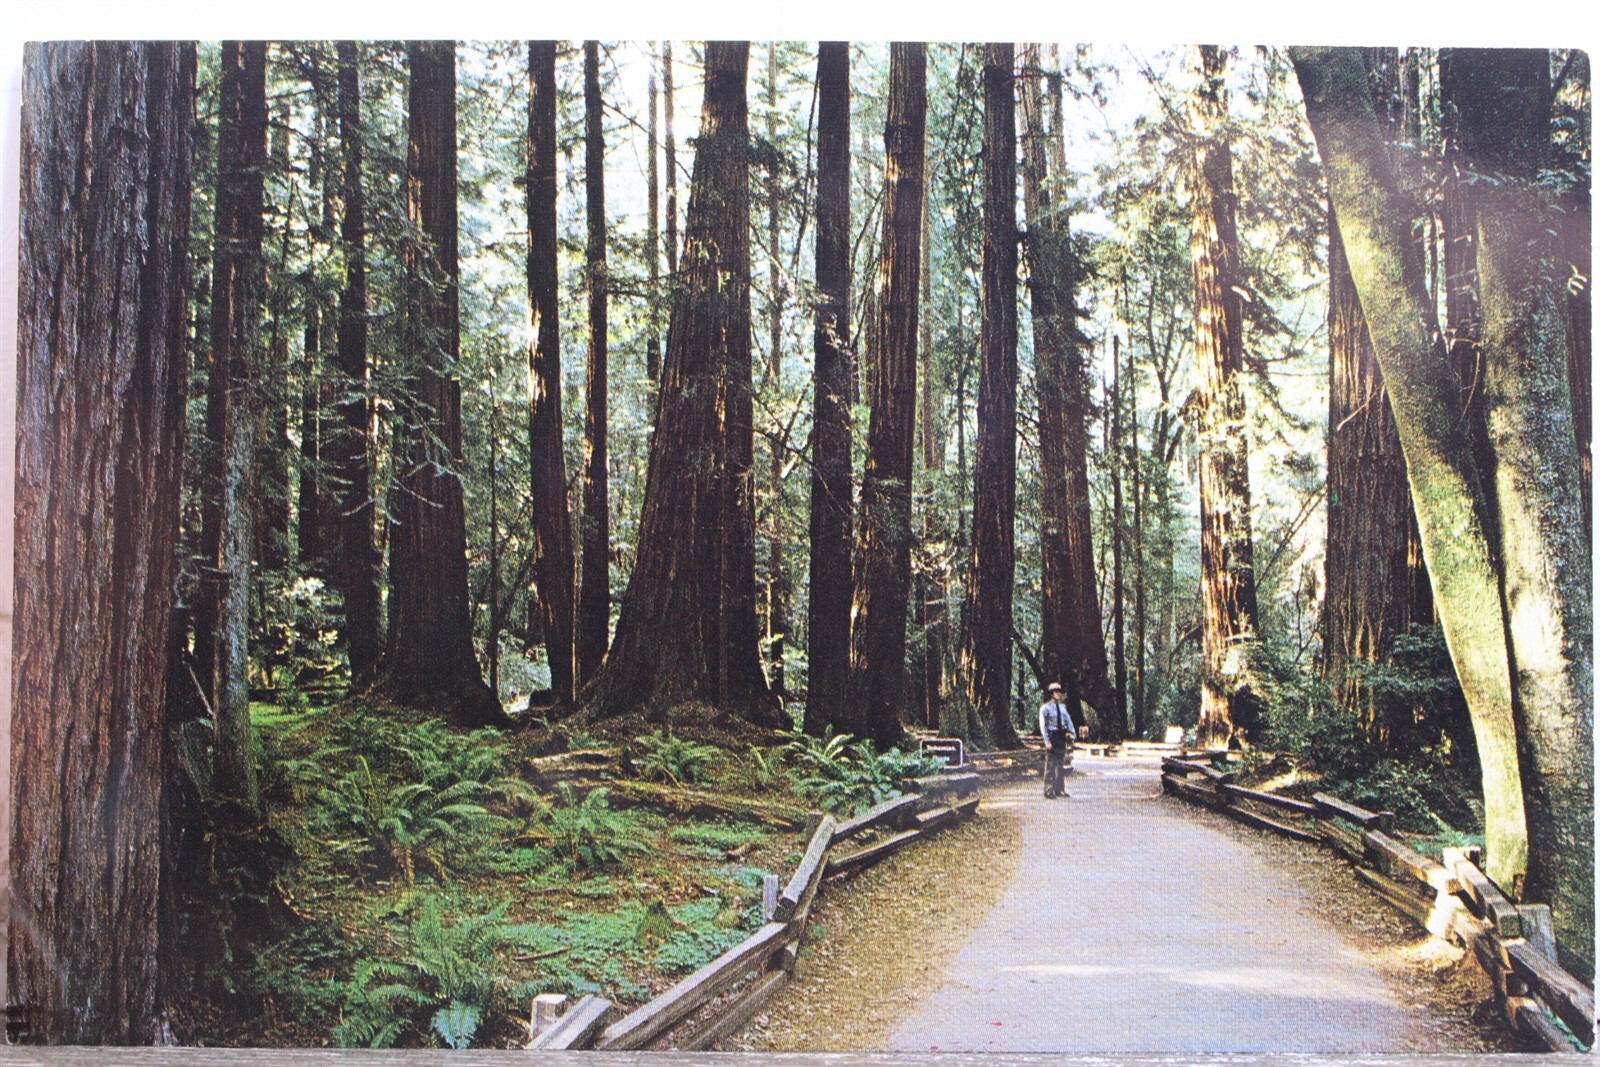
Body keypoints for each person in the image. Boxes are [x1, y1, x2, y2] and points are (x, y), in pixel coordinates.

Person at [1040, 682, 1077, 798]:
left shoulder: (1063, 708)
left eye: (1060, 692)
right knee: (1050, 764)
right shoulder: (1045, 708)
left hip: (1061, 736)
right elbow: (1043, 725)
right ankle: (1048, 790)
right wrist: (1046, 741)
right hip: (1052, 735)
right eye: (1056, 692)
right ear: (1051, 694)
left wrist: (1072, 734)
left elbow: (1068, 721)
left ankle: (1059, 789)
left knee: (1060, 765)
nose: (1059, 694)